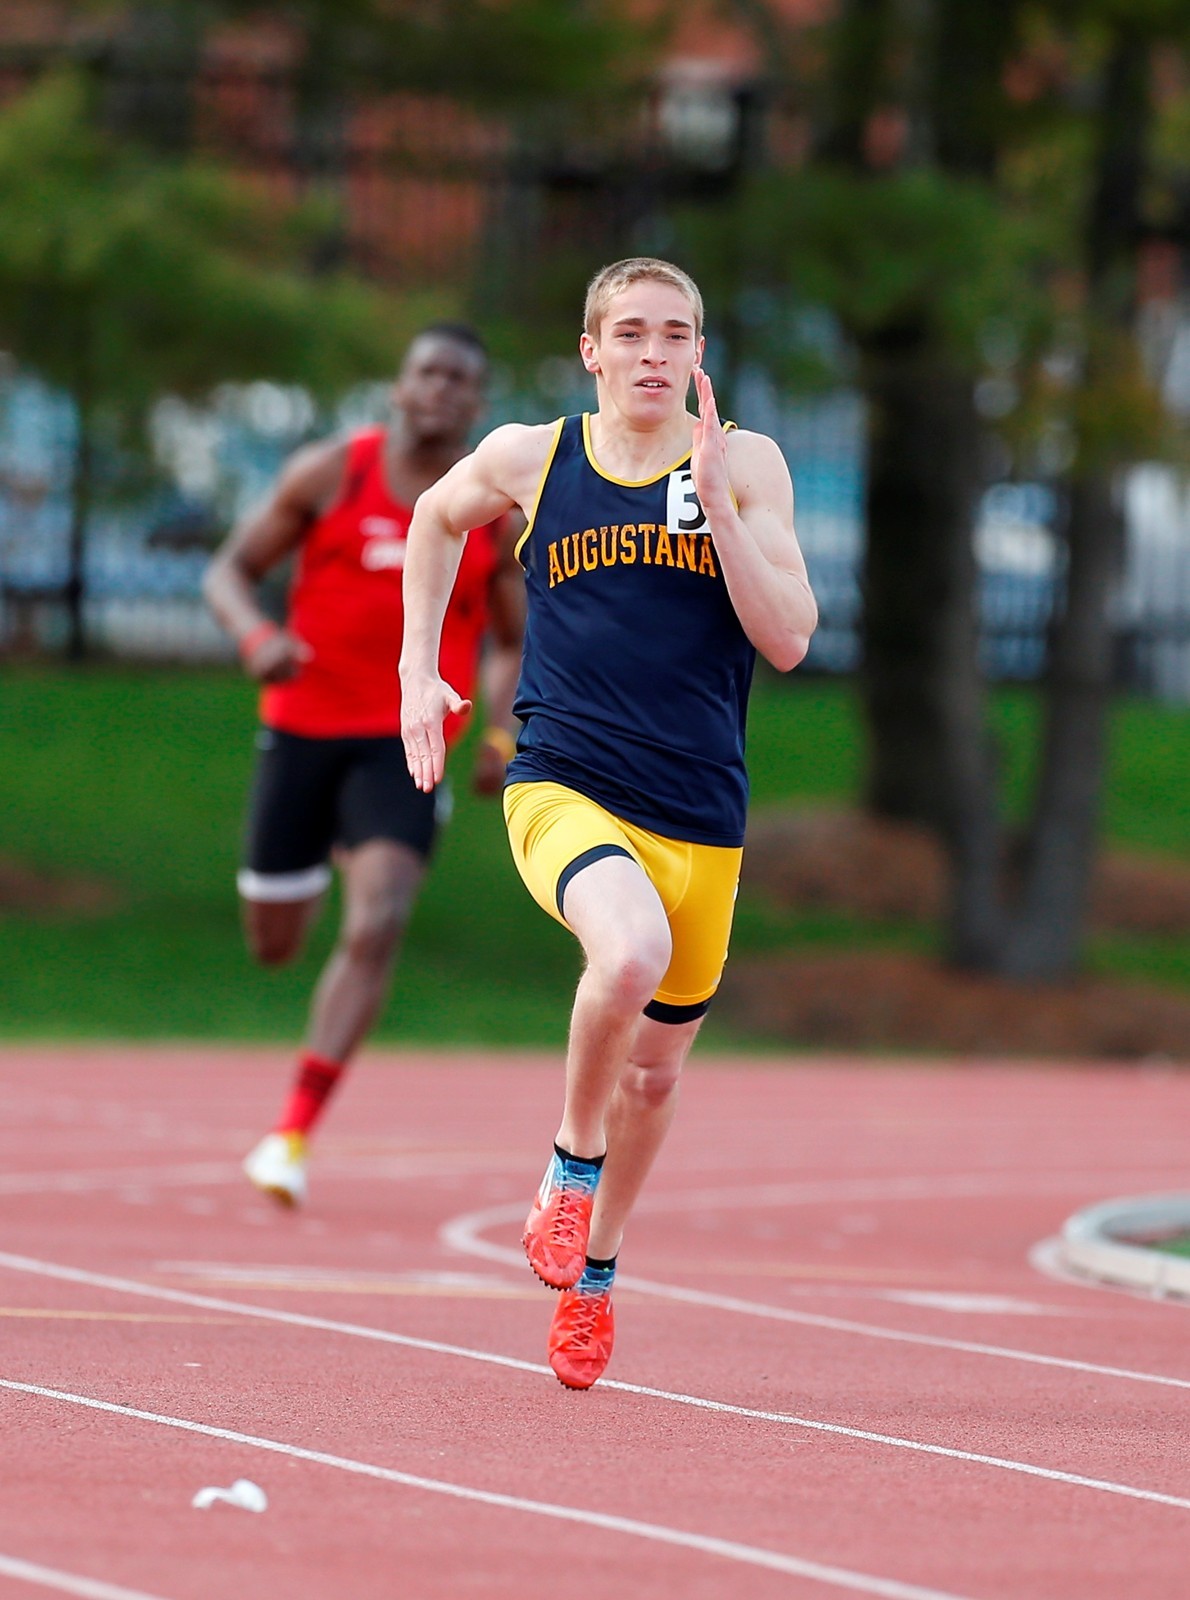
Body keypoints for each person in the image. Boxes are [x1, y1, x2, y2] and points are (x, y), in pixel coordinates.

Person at [398, 259, 817, 1390]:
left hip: (701, 813)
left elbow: (788, 639)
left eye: (674, 334)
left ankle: (594, 1273)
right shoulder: (533, 457)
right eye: (629, 333)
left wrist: (719, 507)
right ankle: (567, 1169)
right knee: (625, 953)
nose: (652, 353)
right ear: (590, 350)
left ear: (699, 353)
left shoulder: (747, 465)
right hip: (564, 783)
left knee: (657, 1076)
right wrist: (416, 669)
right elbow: (434, 520)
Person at [203, 324, 523, 1208]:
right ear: (400, 386)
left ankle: (290, 1136)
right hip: (303, 729)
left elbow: (512, 641)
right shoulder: (330, 473)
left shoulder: (494, 510)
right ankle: (325, 849)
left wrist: (501, 735)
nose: (442, 388)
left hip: (407, 740)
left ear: (478, 402)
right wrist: (257, 637)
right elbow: (229, 571)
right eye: (429, 372)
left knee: (379, 920)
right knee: (274, 944)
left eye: (460, 378)